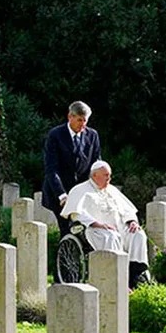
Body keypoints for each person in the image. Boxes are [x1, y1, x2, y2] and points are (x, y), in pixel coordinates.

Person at [61, 160, 150, 286]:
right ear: (95, 175)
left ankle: (134, 274)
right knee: (111, 237)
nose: (109, 178)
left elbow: (127, 210)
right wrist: (97, 224)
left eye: (110, 175)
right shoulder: (80, 190)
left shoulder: (112, 190)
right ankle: (117, 277)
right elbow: (76, 214)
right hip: (96, 229)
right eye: (106, 175)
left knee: (138, 234)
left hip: (120, 227)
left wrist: (132, 222)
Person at [42, 101, 101, 237]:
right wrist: (62, 195)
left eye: (85, 120)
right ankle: (64, 256)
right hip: (59, 191)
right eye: (79, 120)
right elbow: (51, 169)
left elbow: (96, 163)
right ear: (70, 117)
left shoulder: (92, 135)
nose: (82, 124)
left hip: (81, 190)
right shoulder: (55, 135)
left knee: (85, 228)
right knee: (67, 230)